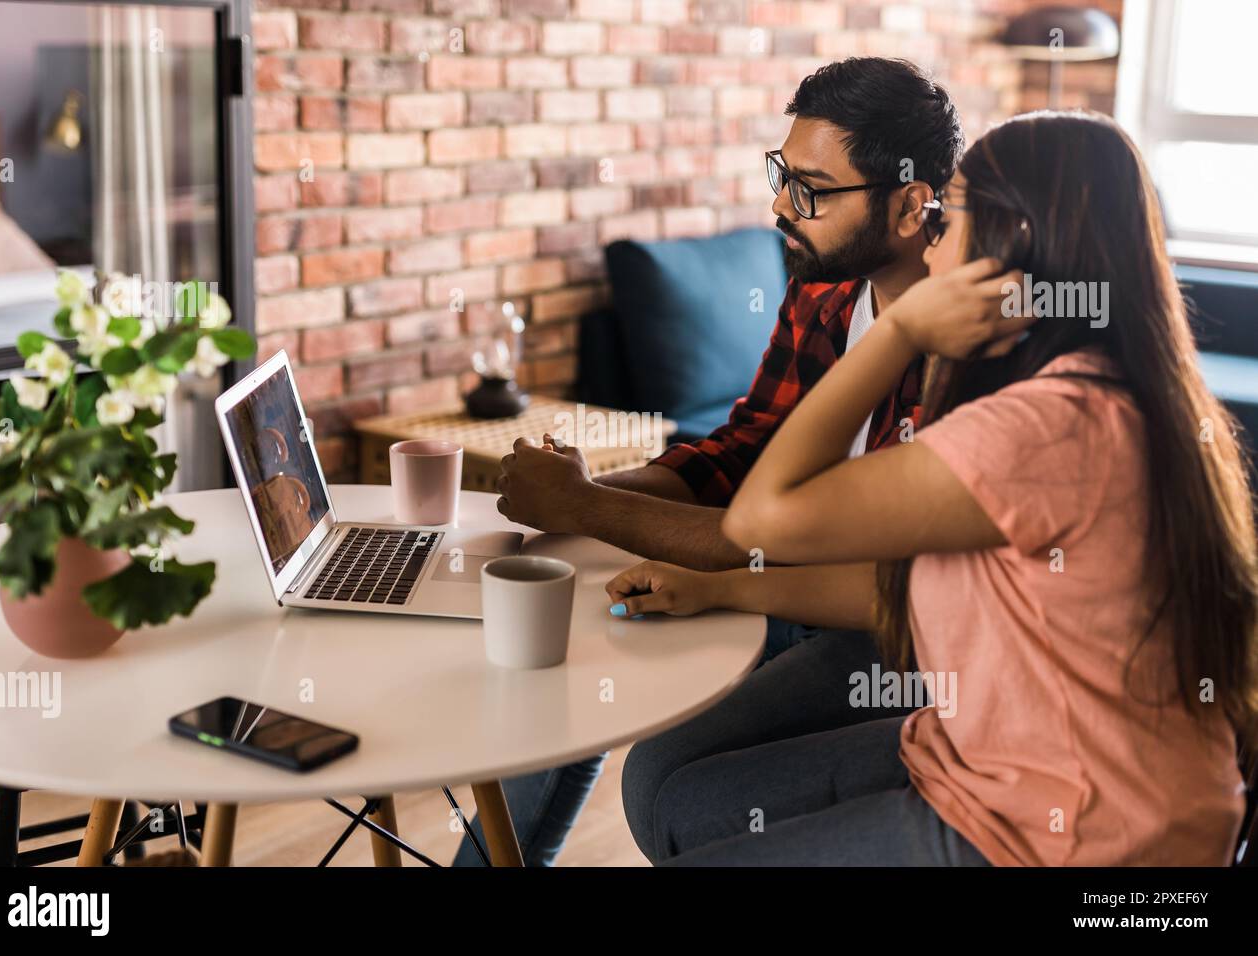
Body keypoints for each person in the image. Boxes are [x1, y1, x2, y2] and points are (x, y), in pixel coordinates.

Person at [608, 110, 1257, 866]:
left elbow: (763, 516)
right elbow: (902, 581)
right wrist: (716, 590)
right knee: (682, 800)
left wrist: (901, 331)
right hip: (978, 760)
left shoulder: (1053, 423)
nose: (932, 240)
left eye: (949, 218)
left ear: (1012, 242)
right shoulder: (1084, 389)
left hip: (1078, 835)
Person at [450, 56, 965, 865]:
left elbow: (859, 565)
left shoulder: (968, 347)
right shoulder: (825, 288)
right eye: (781, 175)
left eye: (812, 191)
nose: (779, 208)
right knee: (570, 623)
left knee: (662, 780)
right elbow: (742, 448)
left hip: (889, 635)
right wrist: (583, 494)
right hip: (792, 581)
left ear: (908, 206)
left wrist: (593, 512)